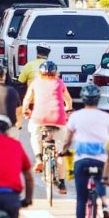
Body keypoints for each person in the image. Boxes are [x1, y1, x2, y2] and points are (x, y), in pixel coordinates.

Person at [61, 83, 109, 218]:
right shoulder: (105, 117)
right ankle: (104, 203)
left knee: (81, 199)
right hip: (100, 159)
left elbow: (68, 139)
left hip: (82, 160)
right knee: (100, 179)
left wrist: (64, 150)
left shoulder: (76, 116)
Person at [21, 60, 71, 194]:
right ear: (56, 73)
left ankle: (38, 158)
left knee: (34, 134)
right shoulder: (60, 83)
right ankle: (61, 183)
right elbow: (69, 101)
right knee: (61, 152)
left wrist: (25, 110)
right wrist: (68, 110)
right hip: (58, 118)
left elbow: (26, 100)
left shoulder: (35, 83)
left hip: (39, 117)